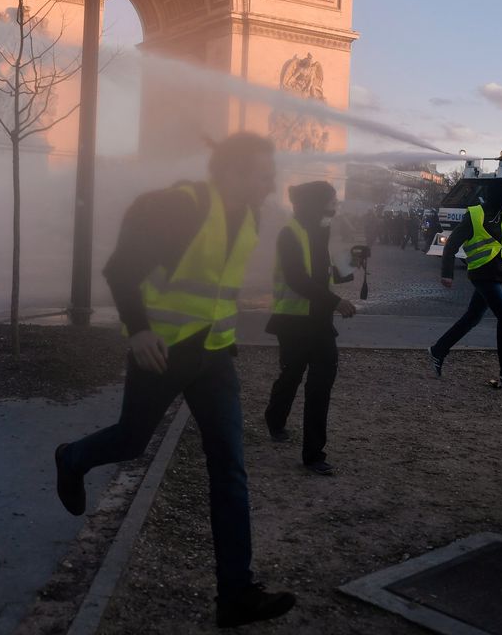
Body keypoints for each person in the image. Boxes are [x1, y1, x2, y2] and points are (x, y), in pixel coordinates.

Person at [53, 133, 295, 628]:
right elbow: (120, 269)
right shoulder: (175, 208)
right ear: (229, 172)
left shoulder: (249, 215)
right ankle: (72, 457)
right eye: (260, 172)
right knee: (130, 440)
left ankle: (235, 593)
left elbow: (217, 290)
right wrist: (139, 329)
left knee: (230, 468)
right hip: (162, 351)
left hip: (214, 357)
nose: (270, 182)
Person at [263, 181, 357, 476]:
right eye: (332, 201)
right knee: (291, 375)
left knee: (320, 386)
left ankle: (313, 454)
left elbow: (325, 273)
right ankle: (275, 421)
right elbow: (296, 279)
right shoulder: (289, 234)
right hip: (292, 322)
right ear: (317, 203)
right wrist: (335, 302)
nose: (336, 206)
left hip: (318, 323)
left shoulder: (322, 231)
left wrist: (353, 264)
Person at [428, 180, 502, 388]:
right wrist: (447, 273)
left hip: (496, 273)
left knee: (472, 318)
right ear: (496, 195)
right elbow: (451, 244)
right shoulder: (475, 214)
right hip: (482, 273)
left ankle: (438, 350)